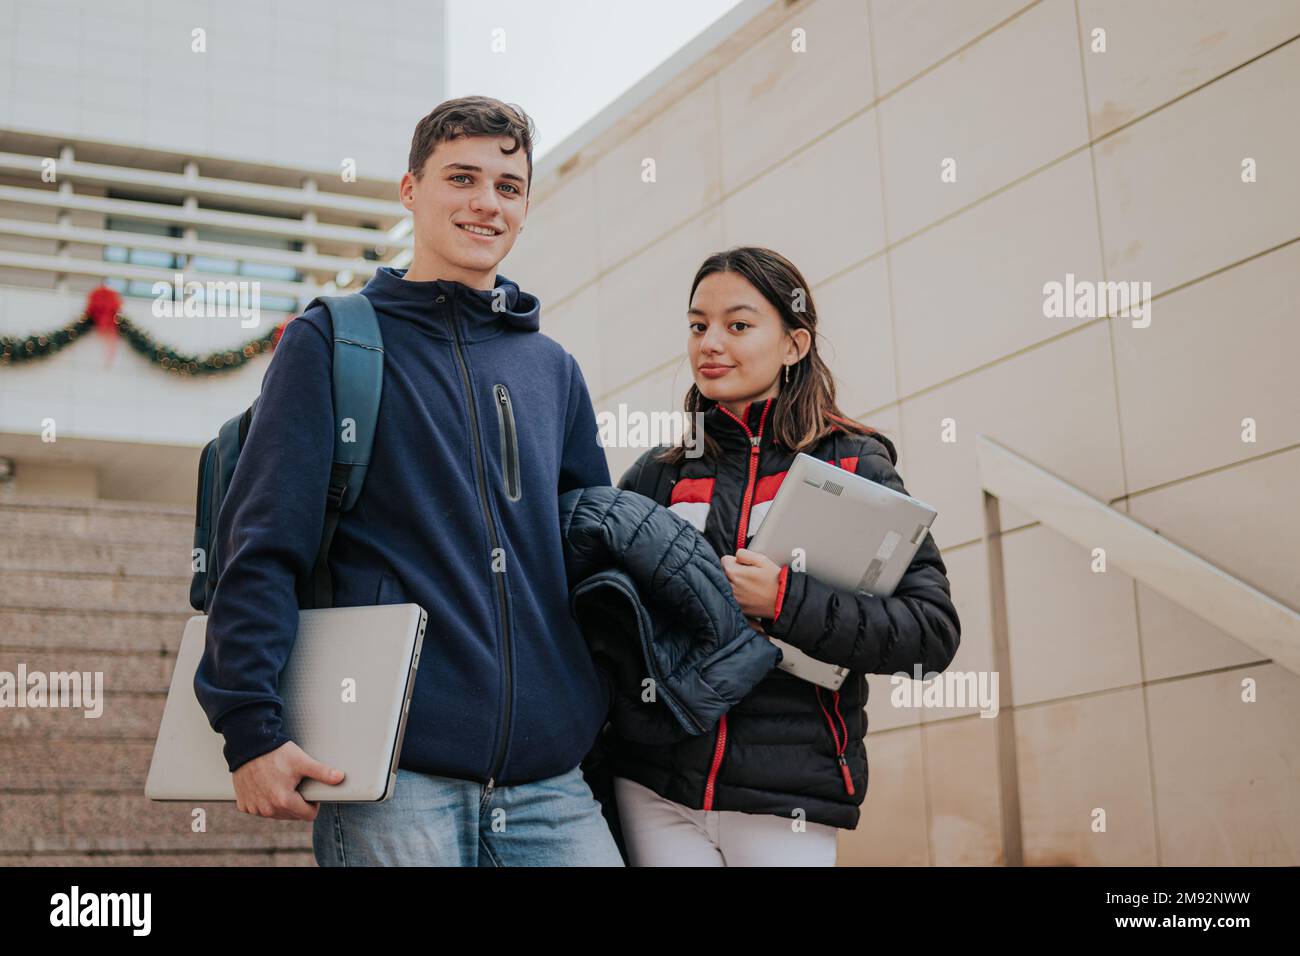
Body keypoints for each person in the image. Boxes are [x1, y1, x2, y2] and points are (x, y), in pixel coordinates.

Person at [194, 96, 623, 866]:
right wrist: (249, 728)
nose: (486, 203)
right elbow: (260, 543)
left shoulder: (554, 371)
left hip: (552, 784)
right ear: (409, 189)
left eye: (508, 185)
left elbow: (587, 557)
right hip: (396, 776)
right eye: (462, 177)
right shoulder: (331, 341)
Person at [607, 246, 962, 866]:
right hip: (654, 785)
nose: (710, 343)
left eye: (738, 325)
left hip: (786, 795)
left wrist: (783, 601)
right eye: (698, 325)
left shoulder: (855, 464)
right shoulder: (654, 475)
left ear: (794, 344)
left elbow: (929, 636)